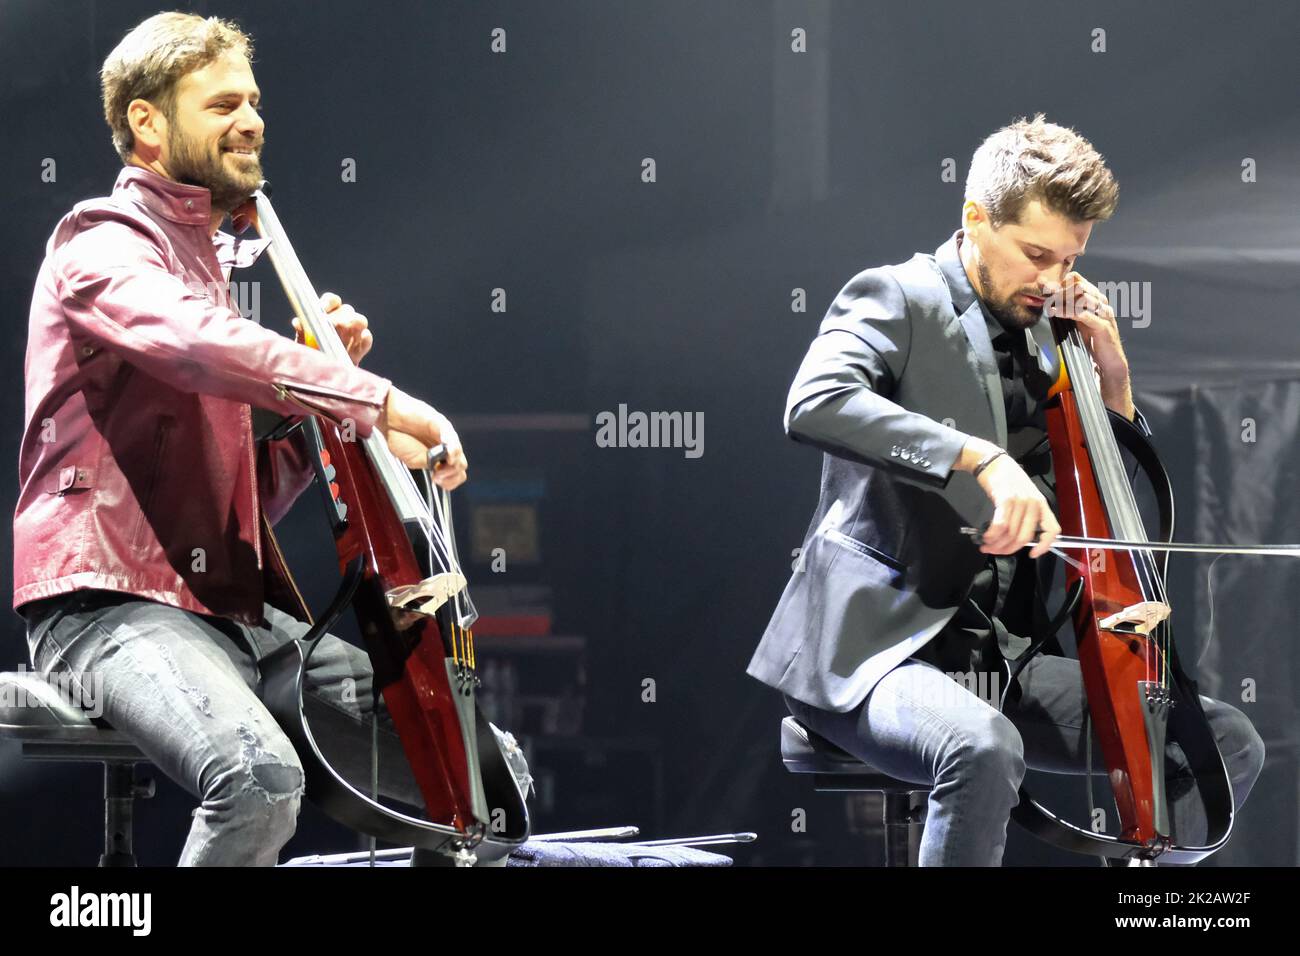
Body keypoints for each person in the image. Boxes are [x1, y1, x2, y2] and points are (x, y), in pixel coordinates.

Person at [14, 11, 528, 866]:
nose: (251, 118)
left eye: (253, 99)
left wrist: (319, 416)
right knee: (258, 781)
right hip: (108, 604)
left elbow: (243, 494)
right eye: (221, 103)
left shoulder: (209, 270)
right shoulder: (99, 243)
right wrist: (373, 398)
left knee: (485, 777)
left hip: (227, 611)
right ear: (147, 122)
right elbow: (195, 343)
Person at [748, 114, 1265, 866]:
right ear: (975, 220)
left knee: (1220, 742)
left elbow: (1095, 495)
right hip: (877, 650)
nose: (1054, 281)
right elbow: (816, 400)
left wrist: (1112, 382)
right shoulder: (898, 296)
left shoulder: (1049, 341)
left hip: (1003, 656)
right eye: (1035, 255)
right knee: (980, 747)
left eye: (1070, 260)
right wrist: (977, 458)